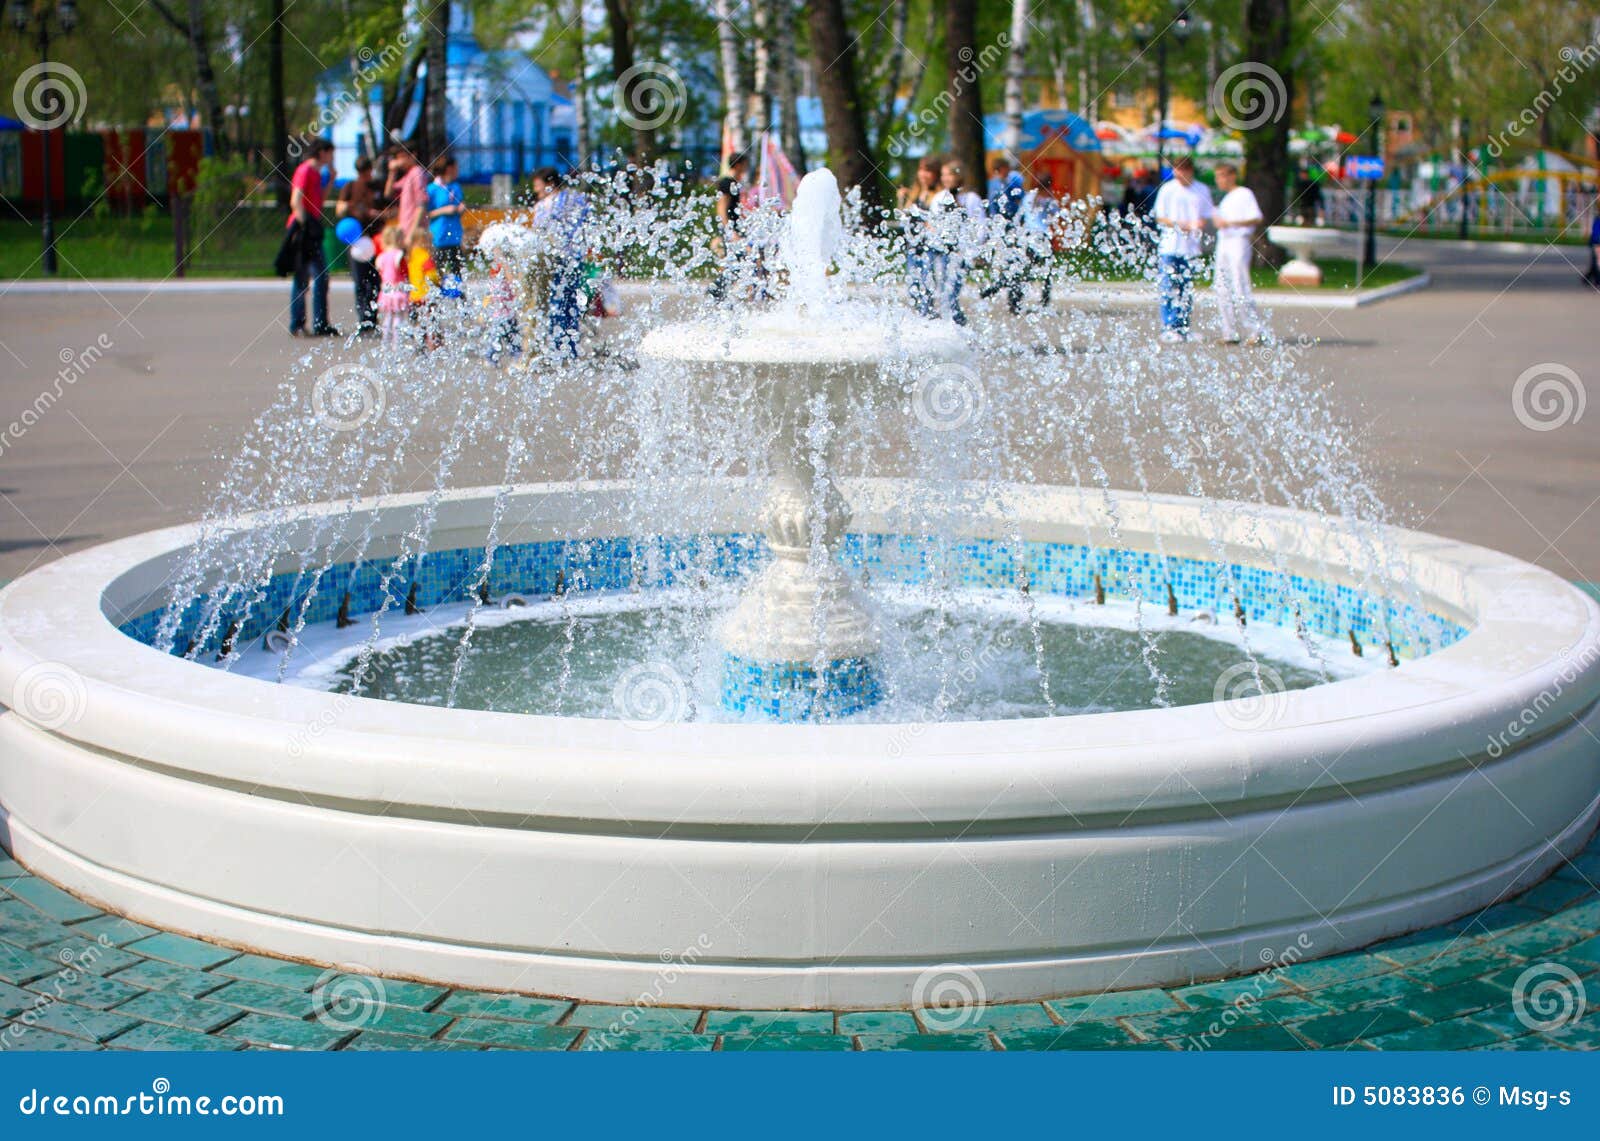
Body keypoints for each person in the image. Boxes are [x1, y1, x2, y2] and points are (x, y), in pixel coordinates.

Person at [530, 166, 591, 358]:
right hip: (550, 259)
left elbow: (585, 220)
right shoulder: (541, 206)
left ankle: (569, 347)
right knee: (554, 302)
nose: (536, 191)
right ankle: (558, 346)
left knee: (569, 301)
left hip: (571, 257)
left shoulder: (572, 200)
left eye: (538, 186)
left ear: (550, 184)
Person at [1151, 155, 1212, 342]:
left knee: (1186, 288)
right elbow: (1160, 217)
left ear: (1189, 171)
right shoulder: (1168, 189)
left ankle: (1183, 326)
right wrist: (1181, 224)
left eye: (1182, 170)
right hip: (1170, 246)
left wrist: (1199, 223)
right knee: (1169, 286)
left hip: (1190, 247)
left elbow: (1206, 215)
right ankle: (1169, 326)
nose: (1178, 174)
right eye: (1176, 170)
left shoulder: (1201, 189)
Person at [287, 138, 338, 337]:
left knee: (321, 275)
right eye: (330, 153)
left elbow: (319, 202)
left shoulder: (316, 174)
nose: (332, 157)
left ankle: (320, 322)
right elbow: (295, 201)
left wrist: (331, 179)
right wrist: (303, 227)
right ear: (322, 152)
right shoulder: (305, 170)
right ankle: (298, 324)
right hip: (303, 228)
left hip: (313, 226)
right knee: (303, 277)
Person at [1211, 163, 1265, 345]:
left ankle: (1254, 330)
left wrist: (1232, 223)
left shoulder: (1244, 194)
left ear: (1232, 176)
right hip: (1224, 242)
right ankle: (1229, 331)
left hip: (1238, 241)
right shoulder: (1226, 199)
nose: (1219, 180)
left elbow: (1256, 217)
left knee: (1239, 283)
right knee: (1221, 285)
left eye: (1222, 176)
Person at [928, 159, 984, 325]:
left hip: (961, 251)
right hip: (942, 251)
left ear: (958, 176)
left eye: (949, 174)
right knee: (944, 290)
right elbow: (932, 223)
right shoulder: (939, 198)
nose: (945, 178)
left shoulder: (970, 198)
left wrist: (974, 249)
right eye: (943, 175)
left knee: (952, 292)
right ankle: (955, 325)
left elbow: (980, 224)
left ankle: (957, 324)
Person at [337, 155, 381, 335]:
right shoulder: (350, 187)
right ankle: (364, 319)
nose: (366, 175)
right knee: (360, 281)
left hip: (374, 239)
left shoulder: (376, 186)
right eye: (363, 172)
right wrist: (352, 207)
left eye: (367, 171)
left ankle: (373, 318)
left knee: (375, 280)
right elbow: (339, 209)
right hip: (357, 241)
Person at [982, 156, 1028, 315]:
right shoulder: (1009, 183)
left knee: (1004, 264)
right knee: (1015, 264)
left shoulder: (990, 184)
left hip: (997, 228)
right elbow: (1021, 197)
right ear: (1002, 169)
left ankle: (996, 289)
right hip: (1009, 228)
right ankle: (1012, 299)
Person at [899, 154, 943, 318]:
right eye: (921, 170)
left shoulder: (939, 195)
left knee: (926, 283)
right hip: (912, 246)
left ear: (936, 174)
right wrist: (902, 200)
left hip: (929, 247)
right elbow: (905, 218)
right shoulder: (915, 193)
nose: (923, 175)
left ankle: (928, 316)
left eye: (928, 171)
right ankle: (921, 316)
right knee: (913, 285)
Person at [710, 150, 751, 304]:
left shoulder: (734, 182)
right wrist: (729, 230)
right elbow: (721, 207)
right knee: (737, 260)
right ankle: (715, 291)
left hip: (733, 227)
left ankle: (719, 293)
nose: (747, 167)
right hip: (729, 228)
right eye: (745, 164)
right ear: (739, 165)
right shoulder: (727, 182)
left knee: (737, 261)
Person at [425, 154, 466, 294]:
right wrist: (444, 210)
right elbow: (426, 214)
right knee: (437, 273)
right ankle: (435, 304)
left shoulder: (455, 187)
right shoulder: (432, 189)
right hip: (439, 237)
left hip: (454, 236)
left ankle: (461, 305)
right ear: (448, 168)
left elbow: (460, 204)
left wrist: (461, 209)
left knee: (458, 273)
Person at [373, 223, 411, 346]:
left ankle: (385, 340)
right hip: (398, 290)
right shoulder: (399, 255)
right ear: (399, 239)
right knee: (398, 317)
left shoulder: (381, 257)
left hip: (386, 290)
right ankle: (397, 342)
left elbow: (381, 272)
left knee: (387, 317)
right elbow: (405, 272)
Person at [385, 147, 429, 240]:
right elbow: (388, 193)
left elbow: (421, 205)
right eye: (398, 158)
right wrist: (392, 171)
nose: (399, 161)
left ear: (413, 156)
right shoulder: (408, 175)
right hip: (405, 230)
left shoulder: (417, 172)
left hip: (415, 233)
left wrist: (412, 234)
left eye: (402, 157)